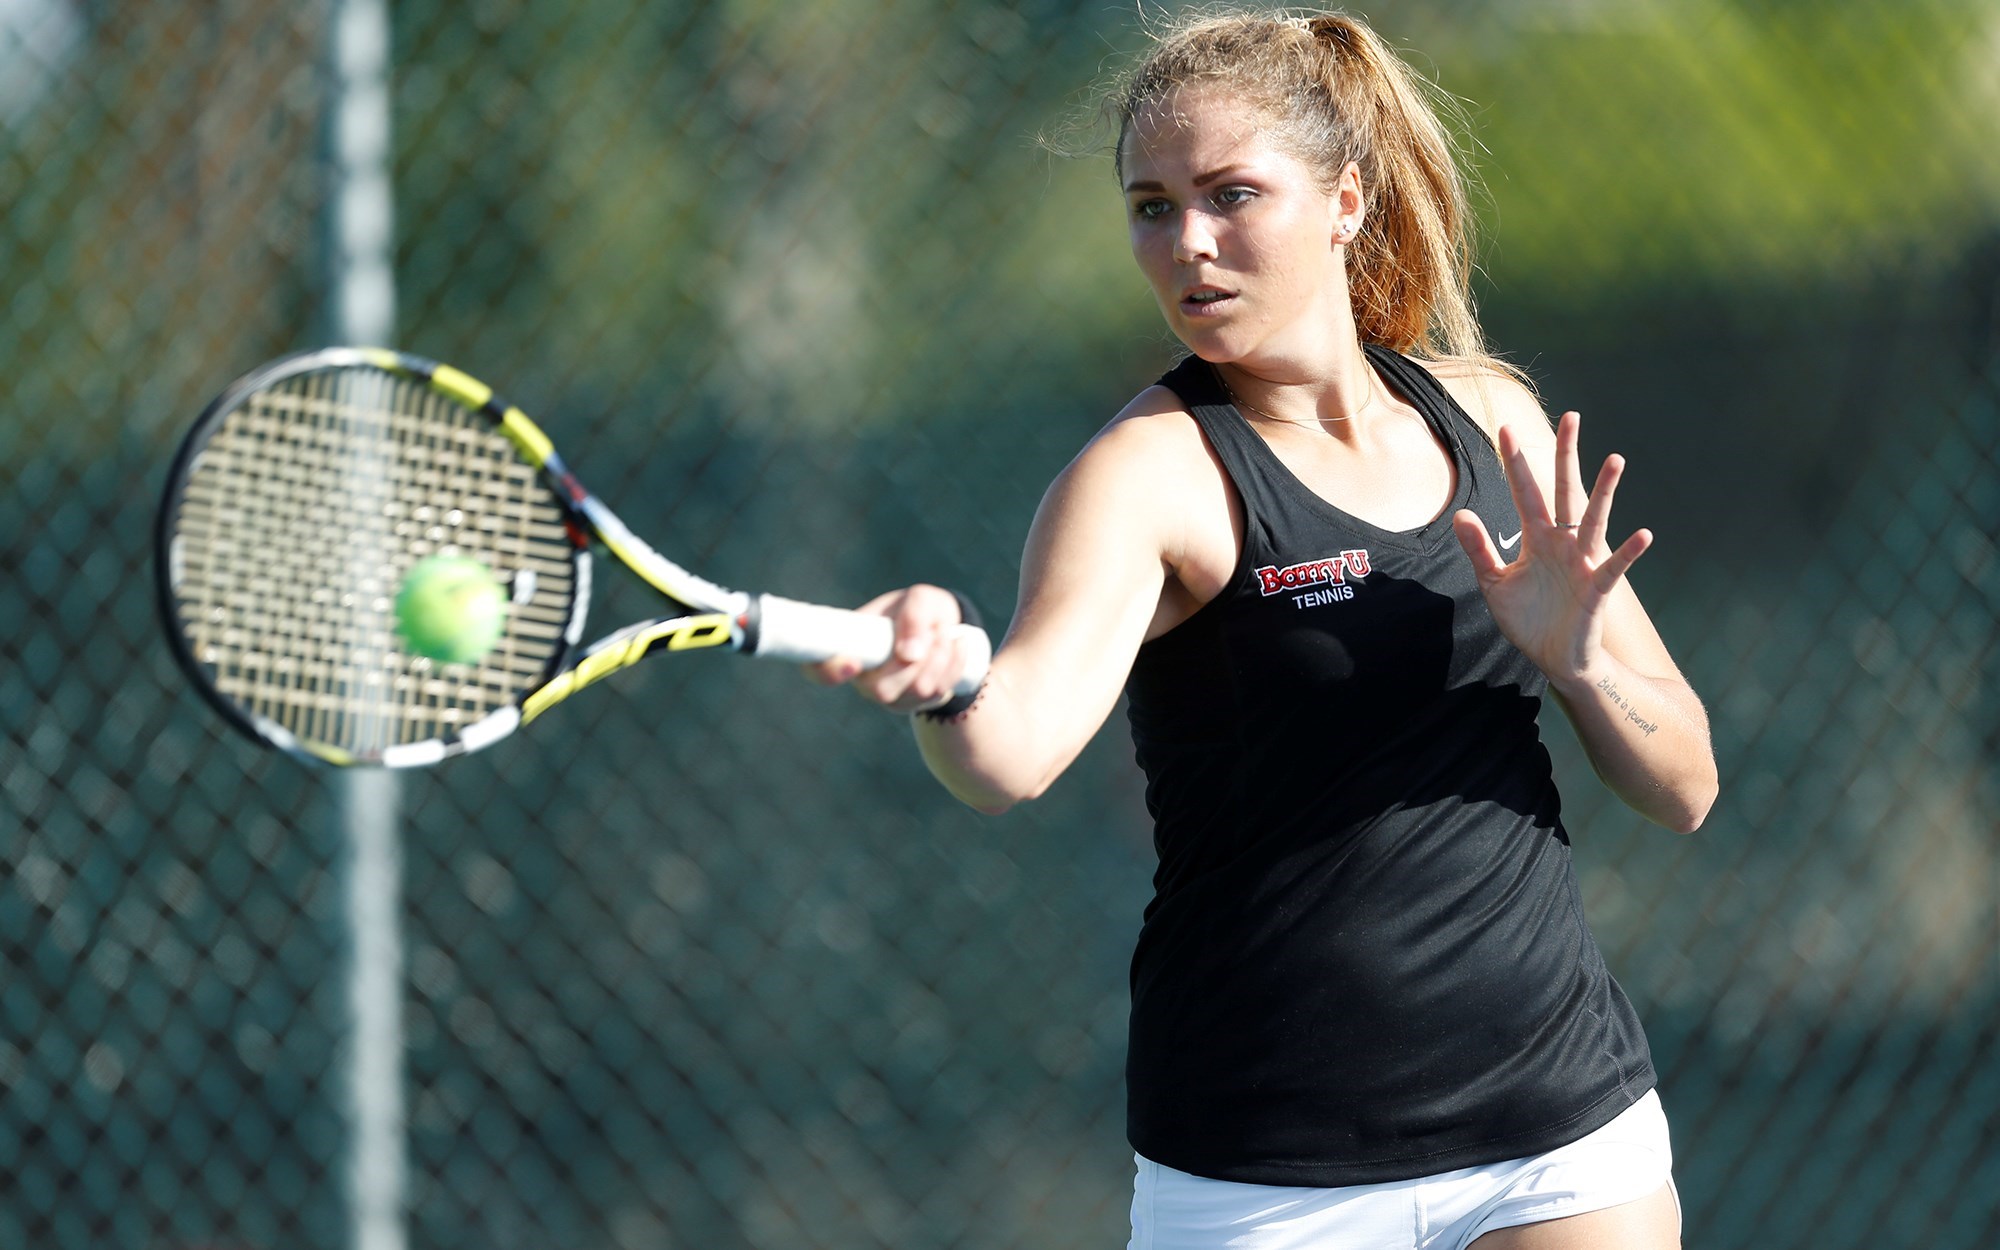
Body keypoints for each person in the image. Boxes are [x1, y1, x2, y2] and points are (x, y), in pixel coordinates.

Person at [815, 8, 1718, 1248]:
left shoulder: (1495, 423)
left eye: (1230, 194)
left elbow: (1684, 783)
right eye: (1150, 206)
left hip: (1556, 1138)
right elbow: (1006, 751)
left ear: (1344, 201)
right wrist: (945, 675)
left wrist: (1578, 661)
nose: (1187, 241)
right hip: (1262, 1173)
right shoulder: (1146, 475)